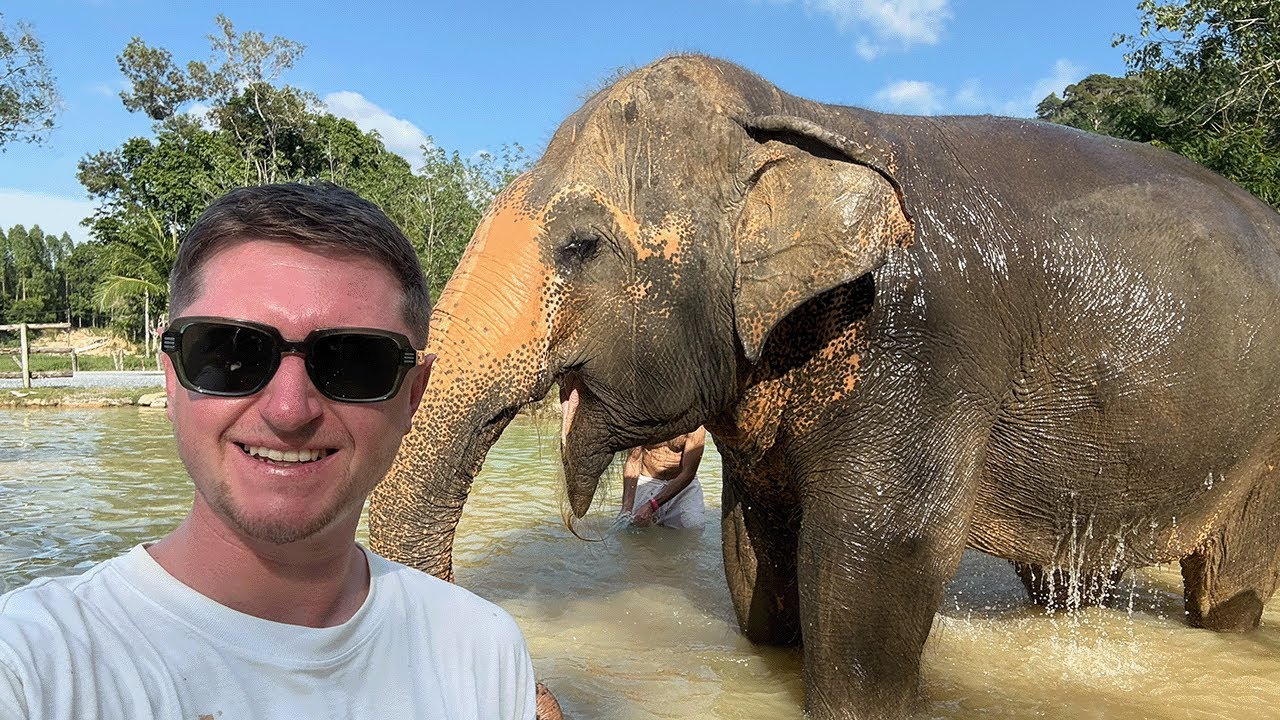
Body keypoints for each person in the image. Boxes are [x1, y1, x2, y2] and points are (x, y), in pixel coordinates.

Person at [0, 183, 542, 719]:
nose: (289, 410)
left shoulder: (482, 651)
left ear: (414, 396)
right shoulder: (34, 666)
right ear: (172, 378)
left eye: (354, 361)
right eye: (230, 352)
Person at [619, 426, 708, 529]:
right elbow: (633, 461)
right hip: (648, 481)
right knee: (632, 526)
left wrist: (652, 505)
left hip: (682, 487)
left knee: (694, 526)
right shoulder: (644, 420)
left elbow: (688, 472)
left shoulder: (694, 425)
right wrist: (626, 507)